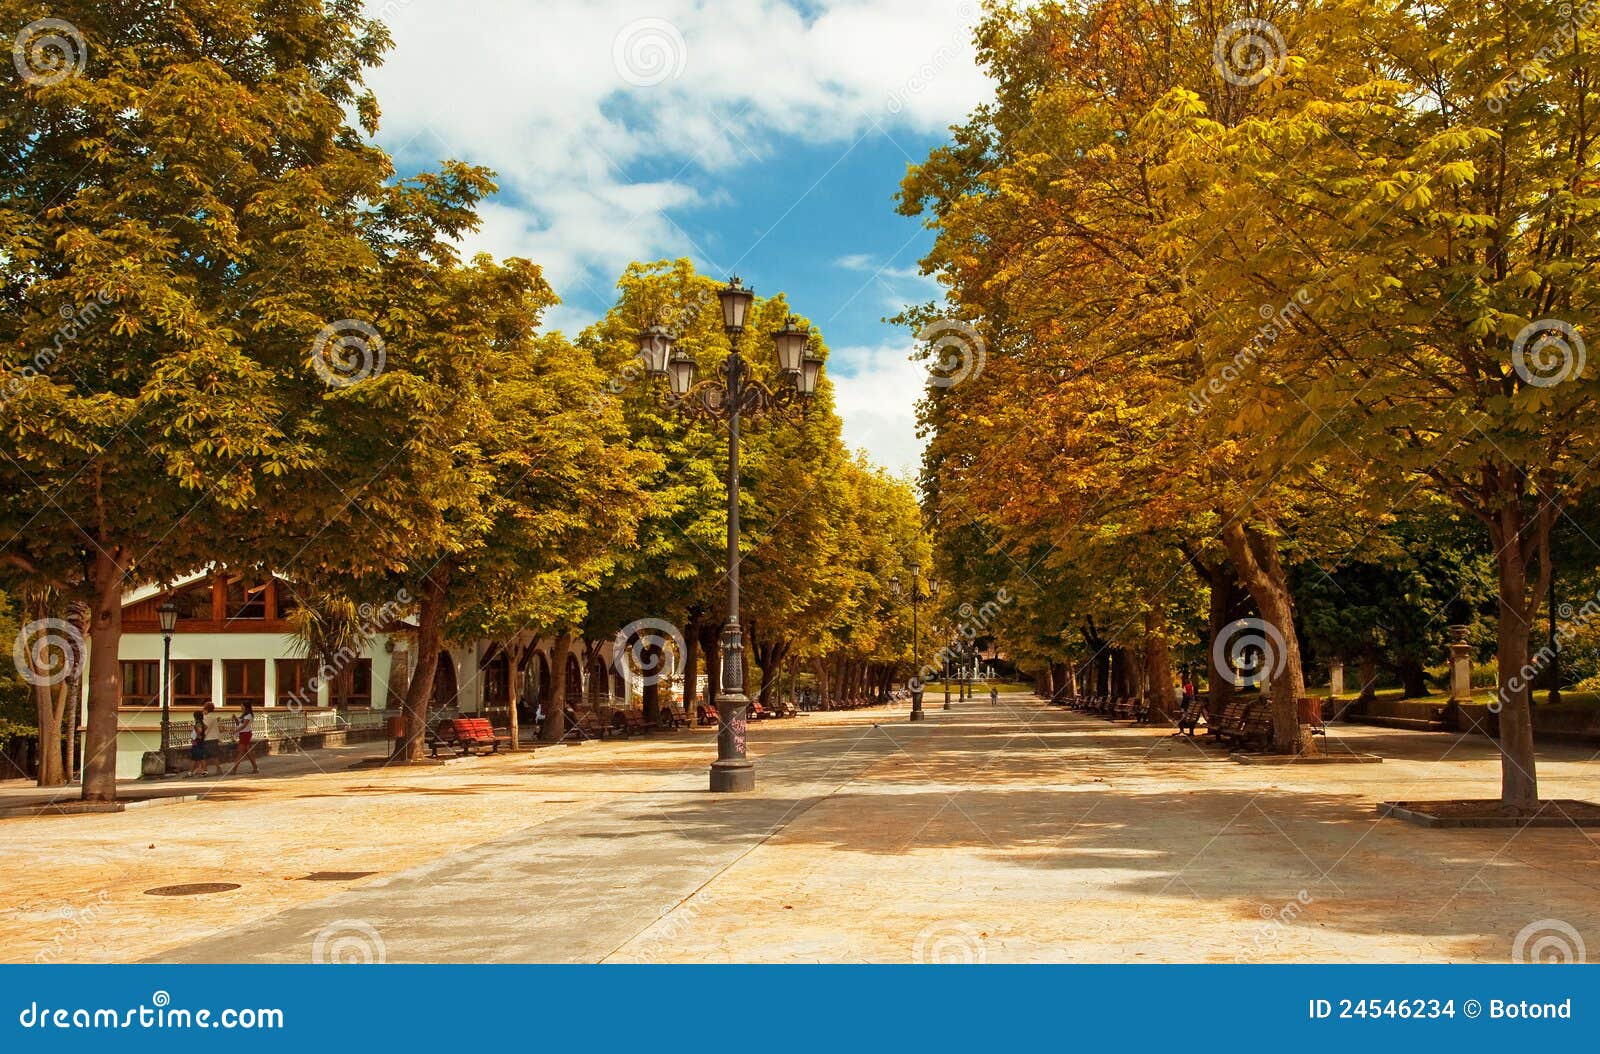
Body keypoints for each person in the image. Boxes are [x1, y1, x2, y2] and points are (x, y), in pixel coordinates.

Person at [228, 699, 258, 775]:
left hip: (245, 734)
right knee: (247, 752)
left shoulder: (248, 715)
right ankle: (255, 767)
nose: (241, 707)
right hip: (243, 734)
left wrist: (235, 731)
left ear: (246, 706)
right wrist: (235, 719)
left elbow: (244, 725)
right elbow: (239, 724)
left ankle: (234, 769)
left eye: (242, 705)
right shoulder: (244, 715)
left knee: (240, 752)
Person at [197, 701, 223, 777]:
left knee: (203, 756)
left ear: (206, 709)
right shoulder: (214, 718)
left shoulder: (206, 718)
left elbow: (204, 727)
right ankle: (219, 769)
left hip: (207, 739)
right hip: (214, 738)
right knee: (214, 756)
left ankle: (205, 771)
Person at [186, 711, 206, 776]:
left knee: (199, 757)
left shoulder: (198, 723)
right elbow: (206, 727)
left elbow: (199, 730)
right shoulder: (201, 722)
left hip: (197, 742)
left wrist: (197, 735)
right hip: (199, 741)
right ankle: (191, 772)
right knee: (195, 757)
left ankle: (204, 771)